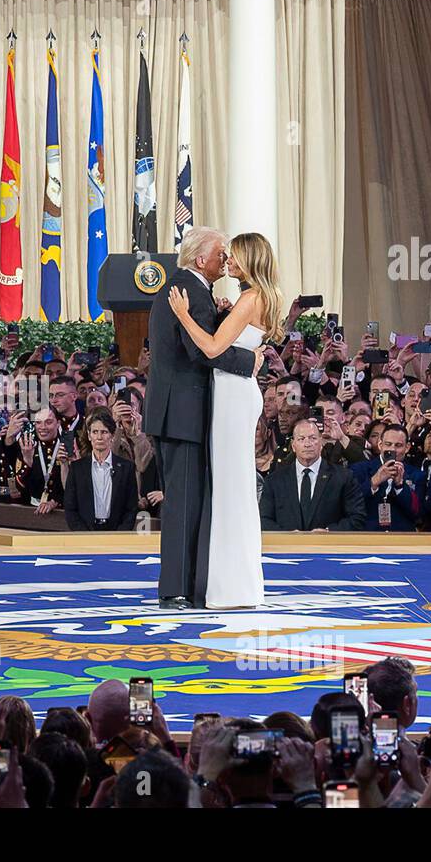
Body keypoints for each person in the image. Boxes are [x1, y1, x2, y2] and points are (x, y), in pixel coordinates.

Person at [144, 227, 262, 610]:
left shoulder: (190, 289)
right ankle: (176, 589)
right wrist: (251, 361)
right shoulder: (190, 292)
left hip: (176, 412)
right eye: (220, 253)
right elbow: (204, 352)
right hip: (183, 414)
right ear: (201, 260)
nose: (225, 259)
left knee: (188, 500)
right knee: (182, 503)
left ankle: (190, 584)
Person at [167, 231, 280, 609]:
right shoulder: (256, 297)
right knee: (234, 486)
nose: (228, 260)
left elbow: (213, 347)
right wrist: (222, 314)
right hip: (236, 393)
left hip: (233, 395)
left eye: (233, 256)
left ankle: (231, 586)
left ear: (249, 259)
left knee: (231, 487)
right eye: (224, 254)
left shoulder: (250, 299)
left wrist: (184, 315)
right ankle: (234, 582)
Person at [258, 419, 366, 532]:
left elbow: (357, 518)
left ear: (321, 443)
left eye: (312, 438)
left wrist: (330, 532)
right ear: (293, 446)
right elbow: (264, 520)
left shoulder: (343, 477)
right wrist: (286, 535)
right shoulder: (274, 481)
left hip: (328, 547)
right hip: (287, 548)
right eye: (301, 439)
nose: (307, 444)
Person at [63, 409, 139, 531]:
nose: (99, 437)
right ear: (89, 435)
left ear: (112, 436)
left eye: (104, 432)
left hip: (116, 535)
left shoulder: (126, 468)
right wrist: (83, 535)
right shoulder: (77, 468)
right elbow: (70, 507)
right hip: (85, 534)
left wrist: (120, 535)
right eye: (95, 432)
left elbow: (131, 508)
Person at [348, 423, 424, 530]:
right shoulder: (359, 470)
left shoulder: (417, 475)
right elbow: (351, 504)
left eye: (398, 445)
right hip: (367, 537)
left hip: (402, 539)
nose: (392, 450)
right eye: (388, 444)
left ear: (407, 448)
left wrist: (400, 486)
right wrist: (373, 482)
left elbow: (417, 513)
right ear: (380, 445)